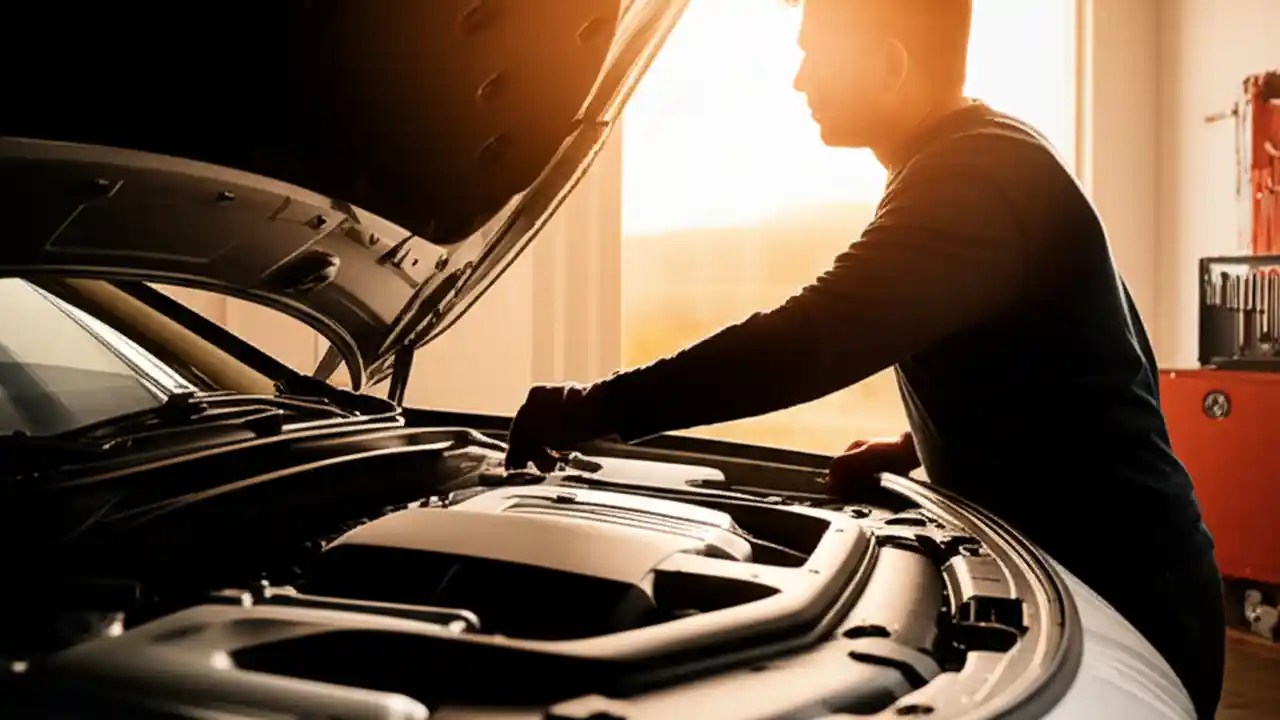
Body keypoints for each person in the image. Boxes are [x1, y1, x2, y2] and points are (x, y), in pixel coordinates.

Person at [504, 0, 1225, 715]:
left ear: (889, 63)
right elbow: (1073, 363)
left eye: (816, 51)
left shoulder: (972, 177)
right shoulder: (987, 153)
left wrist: (594, 408)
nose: (799, 79)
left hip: (1125, 603)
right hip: (1107, 576)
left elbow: (809, 341)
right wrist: (919, 446)